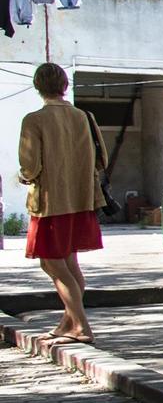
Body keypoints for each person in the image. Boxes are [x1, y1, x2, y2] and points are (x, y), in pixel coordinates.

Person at [18, 63, 108, 341]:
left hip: (50, 201)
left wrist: (24, 176)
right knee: (69, 263)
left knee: (53, 265)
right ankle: (67, 324)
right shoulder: (83, 116)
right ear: (65, 85)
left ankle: (81, 326)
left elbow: (30, 165)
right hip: (80, 199)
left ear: (37, 86)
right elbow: (101, 158)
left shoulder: (34, 119)